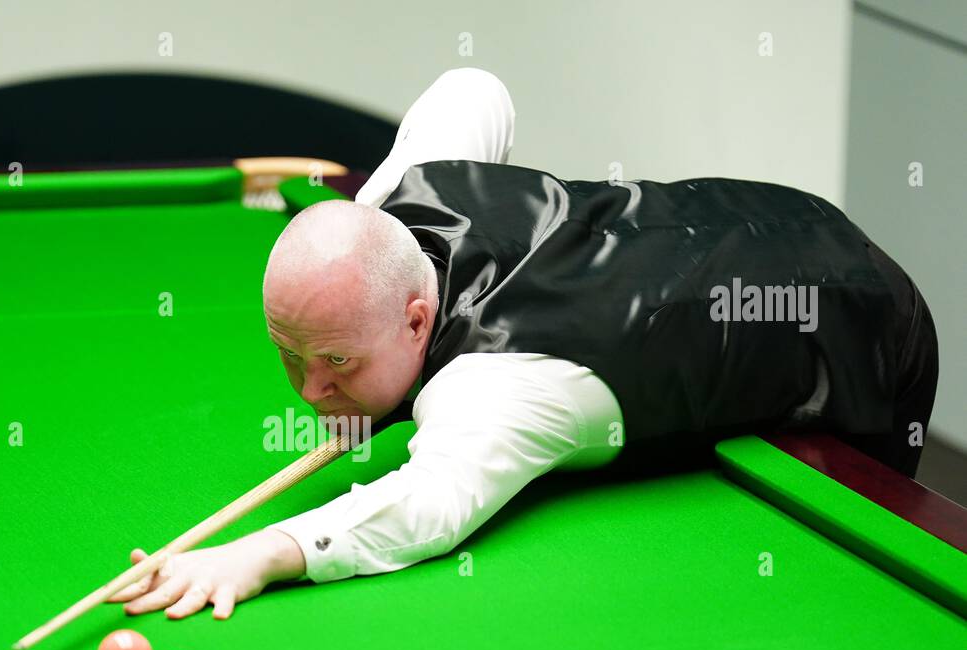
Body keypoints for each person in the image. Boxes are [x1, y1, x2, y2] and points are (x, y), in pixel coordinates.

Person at [110, 68, 939, 620]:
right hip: (758, 218)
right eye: (292, 357)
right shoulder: (414, 190)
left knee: (870, 587)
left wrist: (260, 554)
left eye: (336, 365)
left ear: (413, 319)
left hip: (860, 315)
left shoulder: (498, 388)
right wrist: (367, 211)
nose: (308, 393)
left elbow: (428, 507)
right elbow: (475, 86)